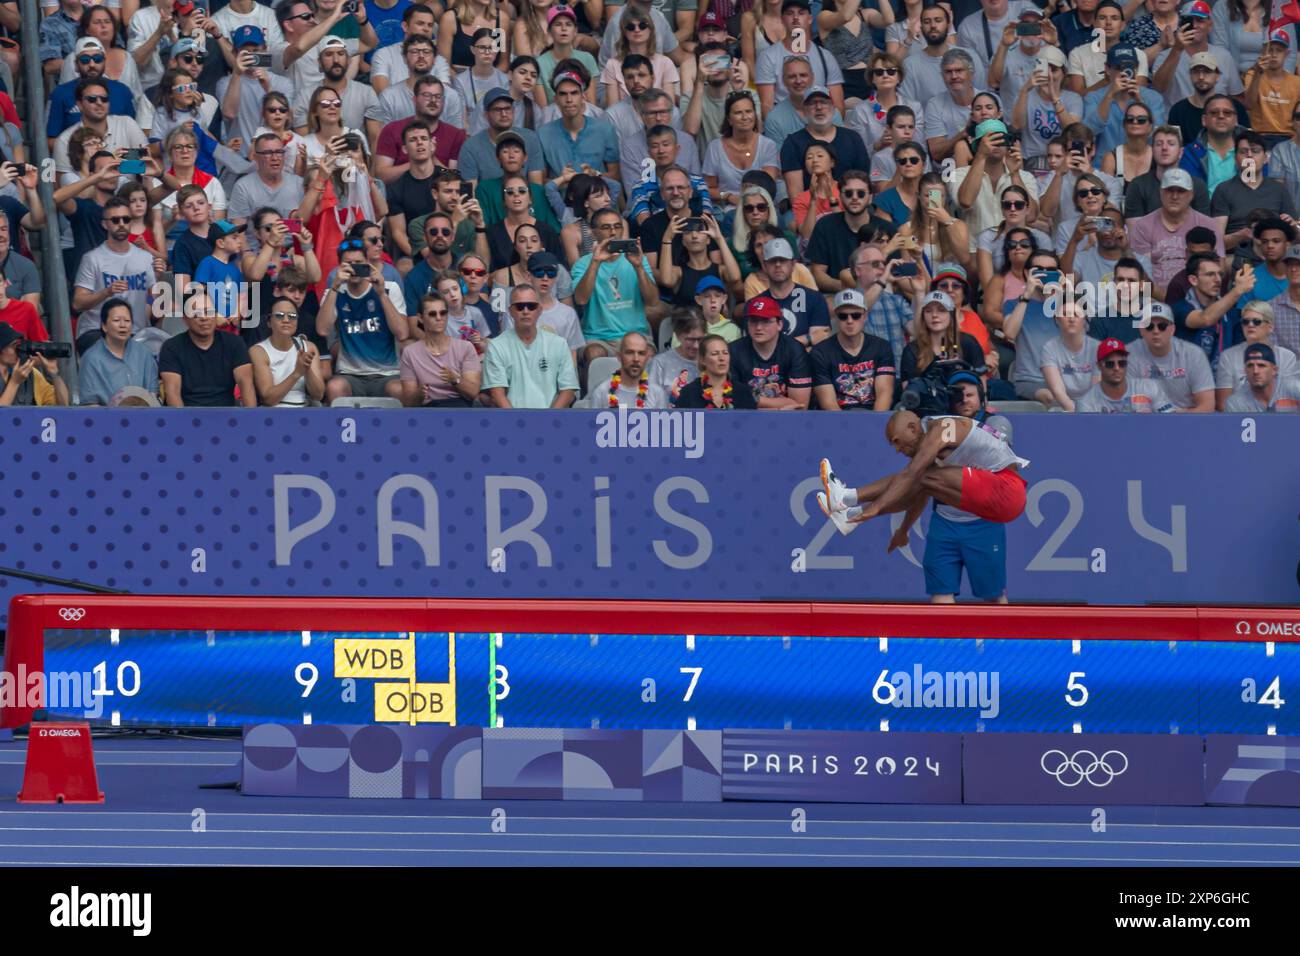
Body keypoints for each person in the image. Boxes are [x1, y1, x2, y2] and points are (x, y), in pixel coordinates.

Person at [815, 408, 1030, 541]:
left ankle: (845, 498)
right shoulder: (931, 441)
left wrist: (875, 508)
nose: (898, 450)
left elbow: (911, 475)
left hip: (1007, 489)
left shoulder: (941, 429)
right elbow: (919, 494)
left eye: (898, 442)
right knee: (922, 481)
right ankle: (850, 518)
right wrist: (903, 530)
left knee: (916, 475)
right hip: (1002, 504)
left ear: (912, 428)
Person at [316, 238, 410, 402]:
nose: (354, 268)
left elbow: (402, 333)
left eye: (358, 263)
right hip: (350, 374)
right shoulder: (335, 292)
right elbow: (322, 330)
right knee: (334, 387)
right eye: (348, 264)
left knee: (399, 390)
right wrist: (335, 287)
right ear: (339, 266)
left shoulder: (389, 288)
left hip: (387, 373)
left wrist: (381, 294)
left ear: (368, 263)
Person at [71, 195, 165, 355]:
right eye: (115, 220)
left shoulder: (145, 257)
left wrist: (158, 280)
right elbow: (77, 303)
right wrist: (106, 292)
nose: (121, 224)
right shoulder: (93, 258)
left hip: (136, 333)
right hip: (97, 330)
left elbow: (157, 309)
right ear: (104, 224)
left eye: (126, 219)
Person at [571, 209, 662, 363]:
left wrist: (639, 267)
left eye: (617, 226)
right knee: (594, 354)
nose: (613, 232)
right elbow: (580, 300)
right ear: (593, 233)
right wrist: (595, 262)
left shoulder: (637, 260)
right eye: (606, 227)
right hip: (599, 338)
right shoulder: (583, 264)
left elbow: (653, 301)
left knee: (649, 354)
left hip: (636, 335)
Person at [482, 284, 579, 408]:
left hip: (551, 421)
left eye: (531, 306)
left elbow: (568, 390)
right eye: (520, 306)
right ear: (510, 311)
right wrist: (518, 423)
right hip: (512, 422)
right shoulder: (496, 346)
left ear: (539, 310)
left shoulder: (559, 344)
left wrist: (549, 419)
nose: (526, 311)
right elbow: (497, 394)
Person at [159, 289, 257, 407]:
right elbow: (172, 393)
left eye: (209, 311)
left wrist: (250, 422)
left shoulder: (234, 343)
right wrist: (183, 424)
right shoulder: (171, 348)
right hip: (187, 416)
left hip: (226, 417)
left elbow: (246, 384)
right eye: (196, 314)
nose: (204, 318)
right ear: (185, 319)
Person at [1128, 168, 1222, 289]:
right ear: (1160, 193)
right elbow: (1141, 275)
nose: (1175, 196)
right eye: (1169, 190)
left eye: (1181, 191)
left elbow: (1220, 268)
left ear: (1191, 195)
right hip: (1155, 299)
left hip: (1200, 296)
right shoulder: (1142, 226)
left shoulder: (1209, 225)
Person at [1212, 131, 1298, 255]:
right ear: (1235, 159)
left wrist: (1293, 227)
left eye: (1255, 151)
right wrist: (1242, 235)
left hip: (1275, 256)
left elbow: (1295, 239)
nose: (1249, 156)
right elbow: (1216, 243)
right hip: (1238, 256)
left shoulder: (1279, 189)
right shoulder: (1223, 189)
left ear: (1265, 158)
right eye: (1243, 151)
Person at [755, 0, 846, 117]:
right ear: (782, 19)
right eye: (790, 13)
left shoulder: (825, 56)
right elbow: (767, 107)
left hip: (821, 123)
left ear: (810, 19)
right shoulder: (768, 57)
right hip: (785, 124)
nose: (796, 18)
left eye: (801, 13)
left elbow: (838, 106)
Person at [811, 288, 896, 410]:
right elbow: (828, 403)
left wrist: (874, 426)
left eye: (856, 315)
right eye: (843, 316)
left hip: (873, 417)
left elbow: (884, 393)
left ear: (865, 316)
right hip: (838, 421)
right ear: (836, 317)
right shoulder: (820, 352)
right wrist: (845, 427)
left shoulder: (882, 347)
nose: (849, 321)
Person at [1124, 299, 1216, 411]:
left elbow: (1207, 406)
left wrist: (1180, 418)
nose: (1156, 331)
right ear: (1141, 330)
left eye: (1162, 326)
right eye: (1149, 326)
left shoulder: (1194, 354)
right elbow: (1126, 401)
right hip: (1146, 420)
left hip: (1186, 420)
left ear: (1172, 329)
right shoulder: (1129, 354)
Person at [728, 293, 812, 408]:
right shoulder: (733, 350)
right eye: (753, 321)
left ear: (780, 324)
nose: (758, 327)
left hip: (787, 422)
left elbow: (800, 406)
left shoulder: (795, 350)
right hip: (744, 421)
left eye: (765, 321)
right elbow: (732, 400)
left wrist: (752, 400)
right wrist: (777, 405)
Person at [399, 292, 482, 408]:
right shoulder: (410, 352)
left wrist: (455, 380)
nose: (439, 318)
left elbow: (473, 392)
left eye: (443, 313)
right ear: (421, 318)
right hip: (428, 412)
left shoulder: (465, 347)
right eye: (432, 314)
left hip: (461, 408)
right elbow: (408, 402)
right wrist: (419, 394)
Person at [77, 296, 161, 405]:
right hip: (106, 418)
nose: (123, 325)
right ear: (104, 326)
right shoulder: (91, 359)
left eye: (127, 321)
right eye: (116, 320)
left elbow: (153, 394)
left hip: (143, 416)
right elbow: (90, 404)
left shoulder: (144, 353)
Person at [1172, 254, 1252, 365]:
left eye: (1220, 274)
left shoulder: (1232, 313)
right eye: (1210, 275)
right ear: (1193, 280)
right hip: (1189, 379)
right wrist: (1237, 290)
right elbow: (1205, 319)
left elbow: (1237, 354)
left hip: (1223, 378)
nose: (1218, 280)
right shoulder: (1180, 308)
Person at [1215, 301, 1297, 409]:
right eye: (1245, 321)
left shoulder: (1287, 356)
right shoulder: (1228, 356)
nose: (1250, 325)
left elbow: (1291, 399)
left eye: (1256, 321)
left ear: (1270, 327)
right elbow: (1223, 405)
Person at [250, 298, 326, 407]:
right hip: (272, 415)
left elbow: (318, 395)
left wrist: (307, 368)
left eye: (292, 316)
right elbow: (268, 399)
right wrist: (297, 373)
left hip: (304, 413)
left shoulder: (308, 347)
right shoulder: (258, 351)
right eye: (279, 315)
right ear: (269, 322)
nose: (286, 320)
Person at [1074, 337, 1175, 412]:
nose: (1117, 368)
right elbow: (1088, 438)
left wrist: (1151, 418)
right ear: (1099, 366)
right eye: (1110, 364)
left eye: (1122, 363)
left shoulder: (1148, 387)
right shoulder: (1086, 404)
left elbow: (1171, 420)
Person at [1242, 29, 1300, 147]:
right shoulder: (1252, 75)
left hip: (1289, 138)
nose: (1273, 55)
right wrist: (1258, 72)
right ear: (1263, 51)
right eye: (1270, 50)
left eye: (1279, 51)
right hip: (1260, 137)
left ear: (1287, 54)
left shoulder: (1296, 82)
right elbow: (1248, 105)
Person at [1038, 299, 1099, 411]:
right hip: (1062, 407)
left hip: (1093, 408)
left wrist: (1086, 413)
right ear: (1057, 320)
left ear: (1084, 319)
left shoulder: (1097, 348)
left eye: (1076, 314)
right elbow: (1058, 391)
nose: (1071, 319)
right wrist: (1074, 413)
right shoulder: (1049, 348)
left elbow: (1096, 390)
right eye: (1066, 314)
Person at [583, 331, 669, 407]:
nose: (636, 359)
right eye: (630, 353)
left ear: (647, 358)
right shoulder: (601, 392)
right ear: (619, 356)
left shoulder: (657, 394)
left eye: (641, 353)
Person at [673, 333, 759, 408]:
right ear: (703, 360)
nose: (722, 358)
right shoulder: (689, 393)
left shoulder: (743, 392)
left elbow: (751, 424)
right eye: (715, 354)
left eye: (725, 353)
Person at [0, 323, 69, 407]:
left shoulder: (30, 373)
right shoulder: (20, 376)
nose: (18, 350)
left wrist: (54, 373)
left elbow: (63, 405)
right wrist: (14, 382)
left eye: (18, 345)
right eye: (14, 346)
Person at [647, 307, 705, 401]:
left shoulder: (711, 361)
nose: (696, 346)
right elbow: (651, 400)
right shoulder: (660, 363)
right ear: (677, 335)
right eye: (690, 339)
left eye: (700, 339)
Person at [1223, 342, 1300, 411]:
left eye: (1261, 365)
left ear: (1274, 370)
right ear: (1245, 371)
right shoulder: (1235, 403)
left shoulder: (1294, 388)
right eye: (1250, 366)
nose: (1255, 371)